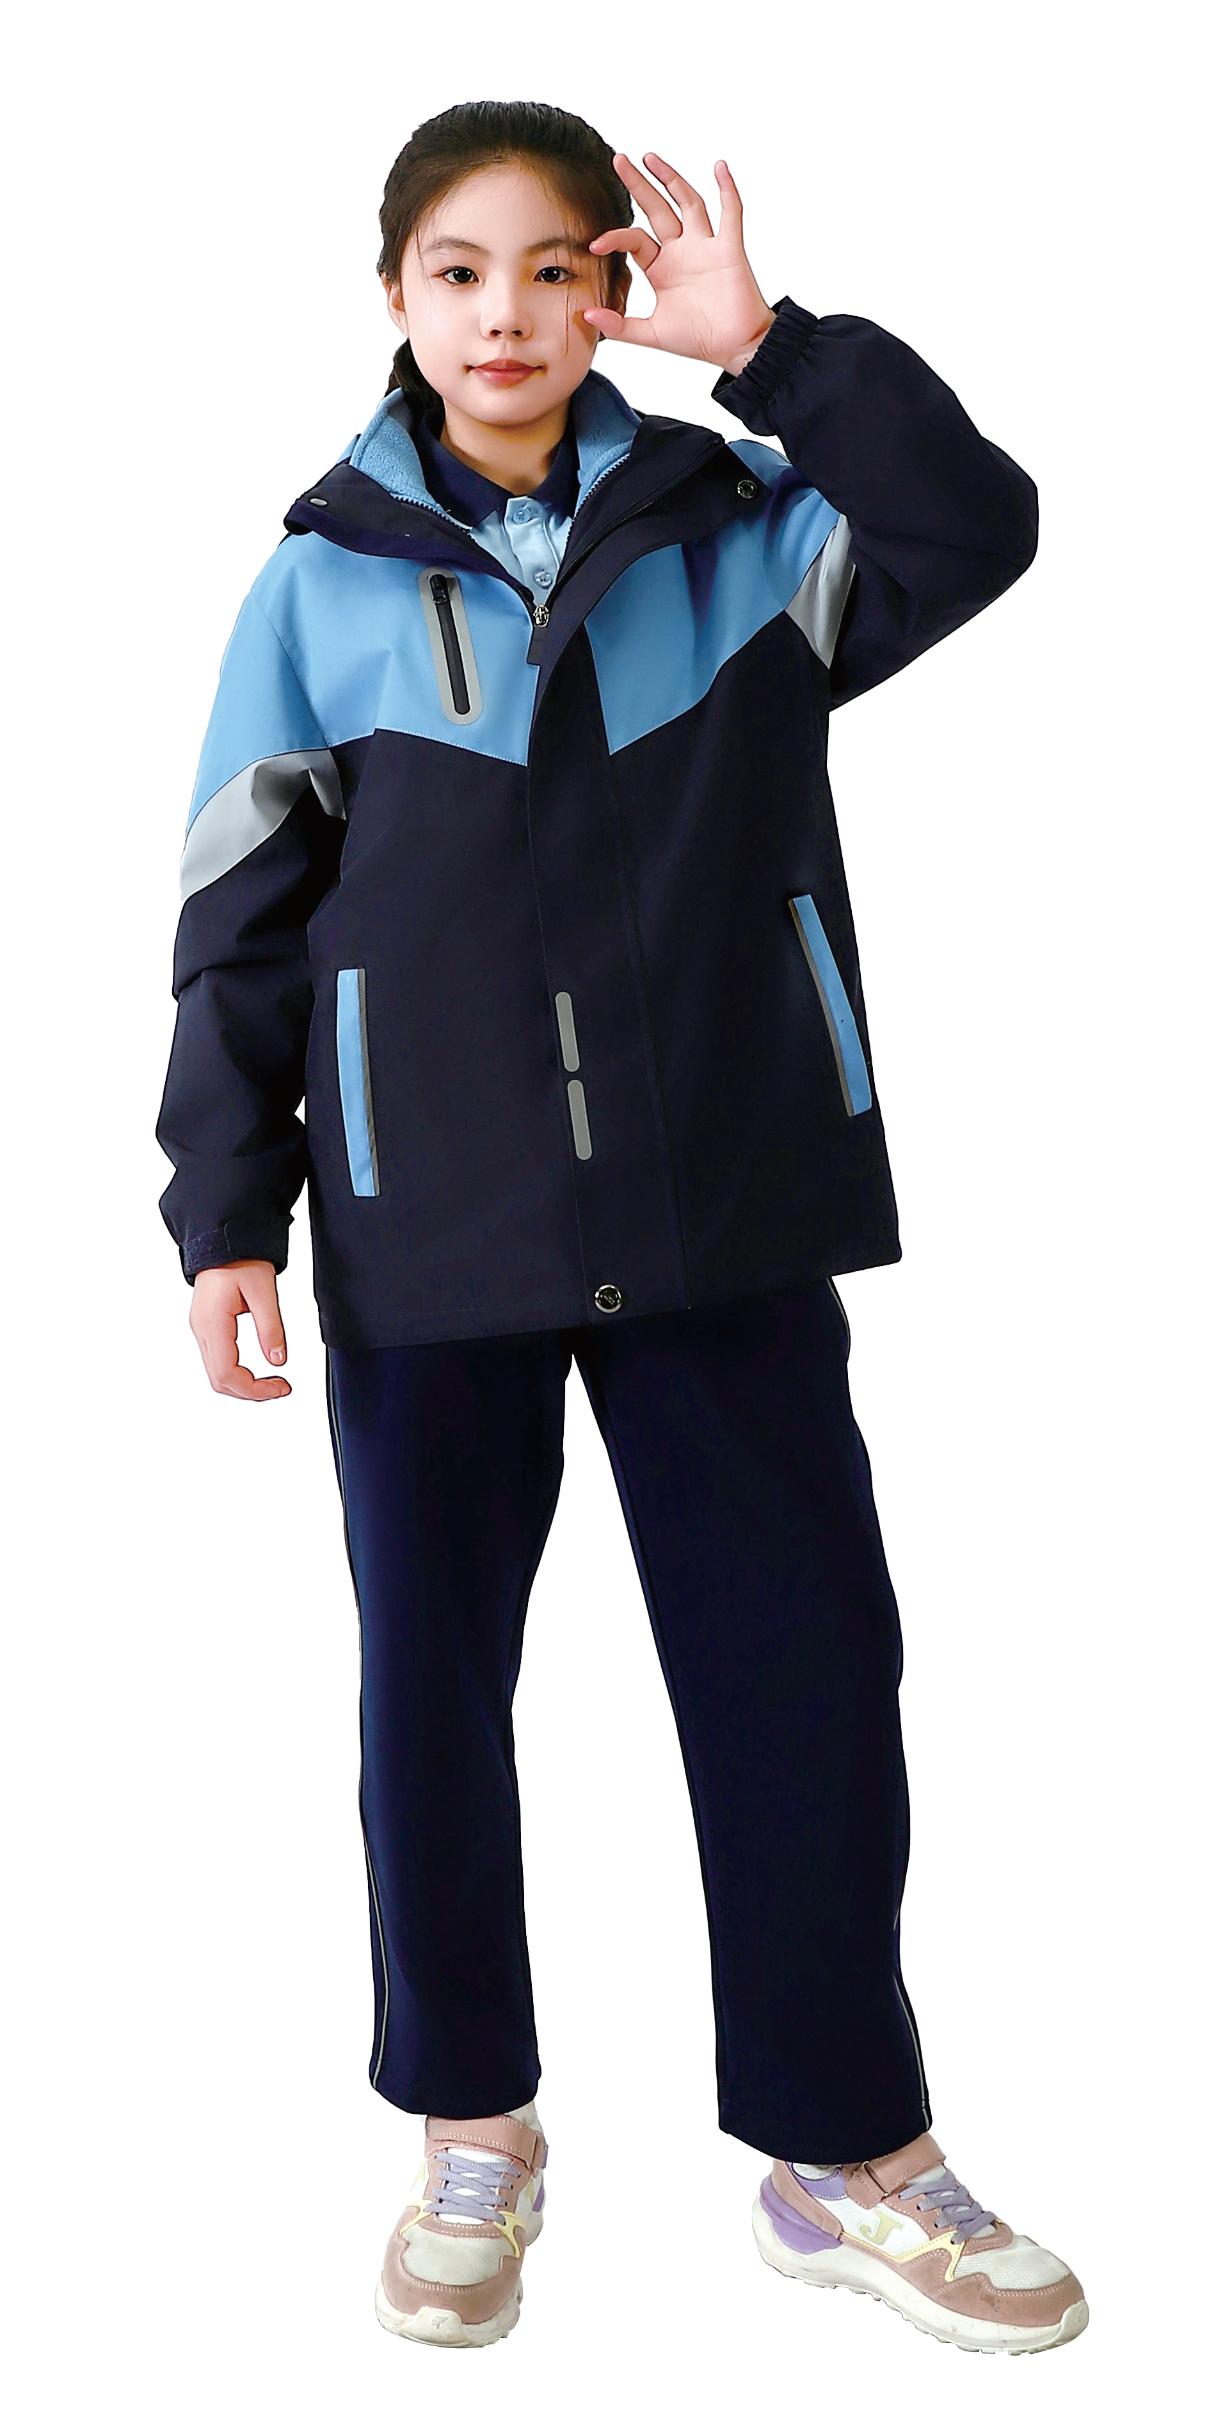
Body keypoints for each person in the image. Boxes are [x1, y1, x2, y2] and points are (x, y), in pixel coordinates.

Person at [155, 99, 1087, 2356]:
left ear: (609, 295)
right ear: (394, 296)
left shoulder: (745, 533)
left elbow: (977, 526)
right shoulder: (316, 588)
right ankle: (470, 2124)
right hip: (431, 1232)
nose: (508, 313)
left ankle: (845, 2150)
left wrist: (770, 350)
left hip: (722, 1208)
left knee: (801, 1674)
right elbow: (240, 925)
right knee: (432, 1696)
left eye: (556, 269)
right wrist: (224, 1210)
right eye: (460, 270)